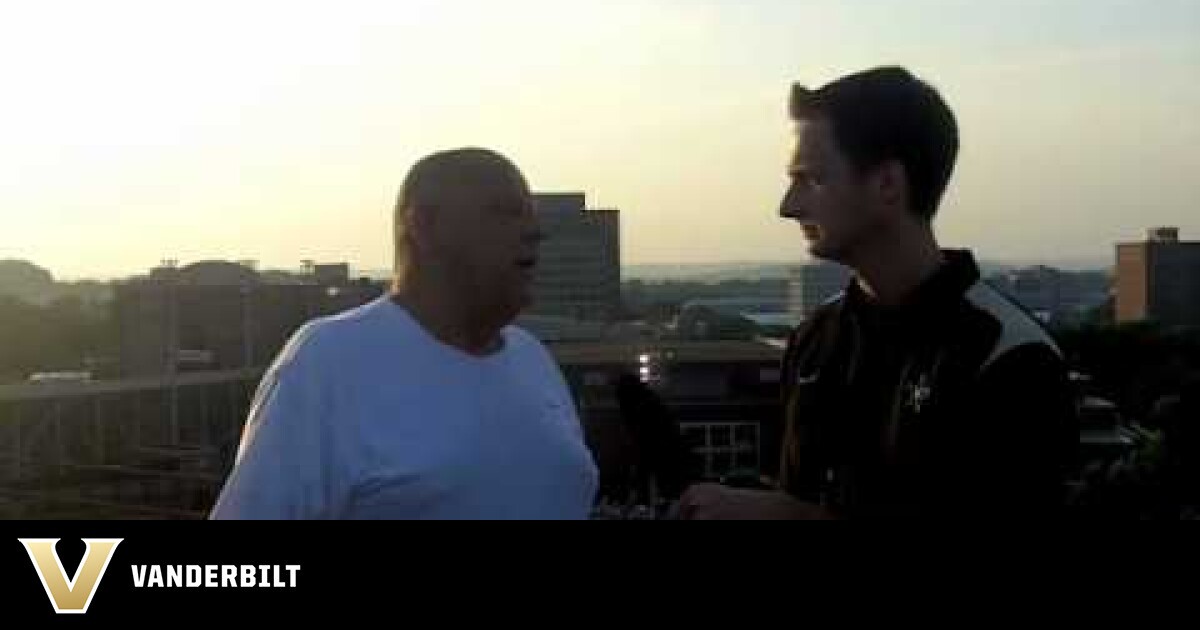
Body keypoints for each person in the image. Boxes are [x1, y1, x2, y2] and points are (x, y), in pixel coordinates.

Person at [678, 66, 1077, 520]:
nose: (788, 206)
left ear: (887, 183)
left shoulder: (1010, 357)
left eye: (811, 179)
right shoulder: (815, 338)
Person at [209, 148, 599, 519]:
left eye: (530, 216)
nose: (534, 232)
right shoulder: (329, 362)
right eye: (505, 213)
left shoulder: (533, 359)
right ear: (423, 225)